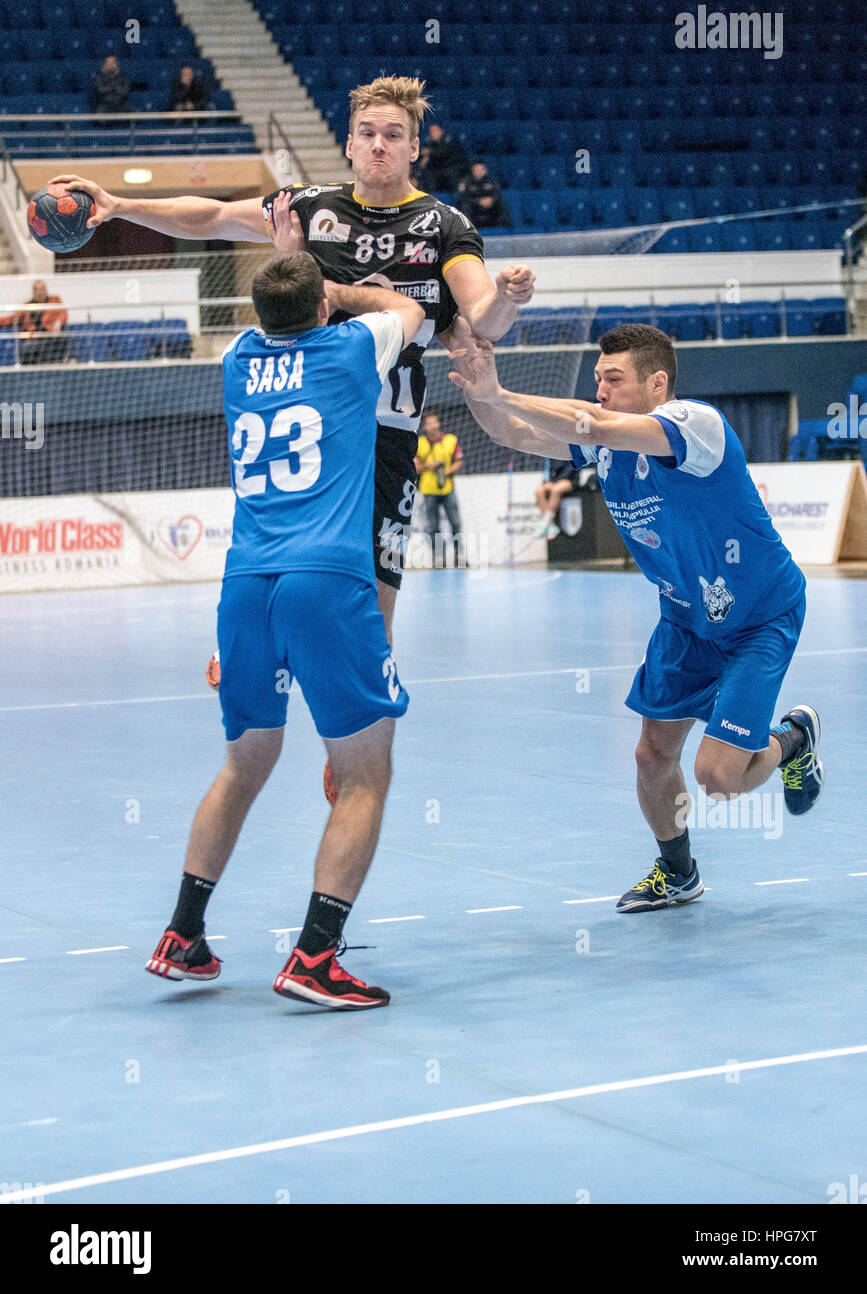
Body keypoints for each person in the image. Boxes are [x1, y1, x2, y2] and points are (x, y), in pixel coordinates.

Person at [53, 74, 536, 801]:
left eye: (393, 135)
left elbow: (484, 319)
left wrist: (506, 299)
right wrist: (119, 204)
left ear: (412, 150)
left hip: (387, 434)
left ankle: (349, 738)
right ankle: (246, 651)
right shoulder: (309, 208)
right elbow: (208, 216)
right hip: (308, 423)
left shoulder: (442, 227)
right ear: (348, 142)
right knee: (283, 562)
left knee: (375, 603)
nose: (378, 143)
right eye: (367, 132)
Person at [448, 320, 824, 912]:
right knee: (652, 755)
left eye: (613, 379)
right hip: (685, 620)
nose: (601, 390)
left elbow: (591, 421)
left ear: (657, 383)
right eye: (596, 379)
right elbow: (514, 432)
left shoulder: (694, 426)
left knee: (721, 779)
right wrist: (476, 386)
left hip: (758, 614)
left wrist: (502, 391)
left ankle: (793, 739)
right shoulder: (605, 445)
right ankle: (679, 873)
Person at [146, 251, 425, 1008]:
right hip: (326, 582)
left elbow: (277, 316)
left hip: (243, 587)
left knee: (244, 764)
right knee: (366, 772)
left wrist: (295, 269)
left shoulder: (236, 358)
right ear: (324, 309)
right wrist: (344, 288)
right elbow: (407, 310)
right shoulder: (349, 347)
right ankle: (315, 955)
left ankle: (183, 933)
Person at [414, 410, 463, 543]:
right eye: (429, 423)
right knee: (434, 526)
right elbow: (415, 468)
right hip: (429, 490)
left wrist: (447, 471)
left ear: (439, 424)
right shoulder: (420, 443)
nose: (432, 425)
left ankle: (459, 555)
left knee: (456, 523)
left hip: (447, 488)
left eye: (434, 422)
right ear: (424, 426)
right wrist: (427, 467)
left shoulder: (450, 440)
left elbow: (459, 461)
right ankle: (437, 558)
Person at [1, 279, 68, 364]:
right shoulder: (27, 306)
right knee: (27, 347)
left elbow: (63, 313)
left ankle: (69, 359)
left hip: (51, 335)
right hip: (34, 338)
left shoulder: (54, 301)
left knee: (65, 336)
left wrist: (58, 323)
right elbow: (13, 319)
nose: (40, 292)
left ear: (46, 290)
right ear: (33, 292)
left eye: (42, 289)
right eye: (37, 290)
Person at [416, 122, 469, 194]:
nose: (432, 134)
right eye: (431, 132)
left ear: (441, 131)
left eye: (435, 131)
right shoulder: (429, 142)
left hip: (451, 169)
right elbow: (422, 154)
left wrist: (429, 153)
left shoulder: (450, 141)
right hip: (437, 172)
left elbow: (444, 153)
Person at [457, 162, 511, 229]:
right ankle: (469, 231)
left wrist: (492, 200)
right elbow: (463, 198)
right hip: (474, 207)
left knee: (503, 205)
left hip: (491, 206)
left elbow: (498, 194)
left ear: (485, 171)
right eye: (476, 170)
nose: (479, 172)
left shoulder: (492, 180)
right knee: (465, 207)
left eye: (481, 170)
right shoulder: (466, 182)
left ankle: (503, 230)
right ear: (472, 171)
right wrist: (479, 201)